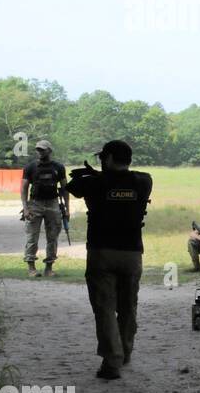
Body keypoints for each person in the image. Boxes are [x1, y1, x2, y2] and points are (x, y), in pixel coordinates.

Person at [65, 140, 153, 380]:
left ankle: (111, 362)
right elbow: (120, 181)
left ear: (110, 158)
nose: (101, 162)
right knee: (128, 306)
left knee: (104, 308)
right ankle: (125, 352)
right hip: (132, 253)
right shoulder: (143, 181)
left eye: (103, 158)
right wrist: (100, 175)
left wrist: (91, 175)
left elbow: (71, 187)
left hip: (101, 253)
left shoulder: (92, 183)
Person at [21, 140, 68, 277]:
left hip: (53, 203)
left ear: (49, 150)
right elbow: (24, 188)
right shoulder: (30, 167)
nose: (40, 152)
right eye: (38, 150)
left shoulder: (58, 167)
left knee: (52, 237)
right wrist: (25, 208)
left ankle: (49, 268)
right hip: (35, 203)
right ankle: (31, 268)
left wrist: (67, 208)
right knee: (32, 236)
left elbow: (65, 188)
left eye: (42, 149)